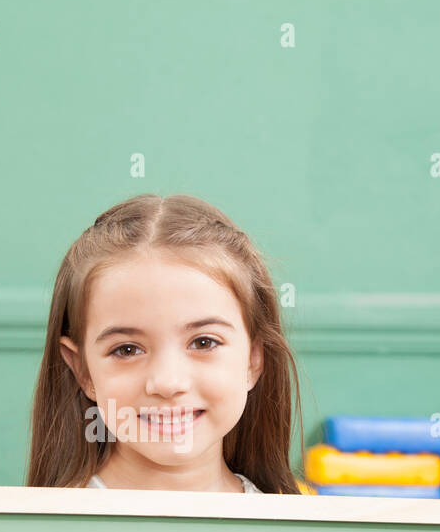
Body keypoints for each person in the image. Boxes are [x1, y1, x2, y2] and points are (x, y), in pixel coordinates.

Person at [26, 194, 304, 493]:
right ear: (83, 370)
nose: (168, 383)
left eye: (203, 342)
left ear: (253, 359)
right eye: (127, 350)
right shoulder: (51, 529)